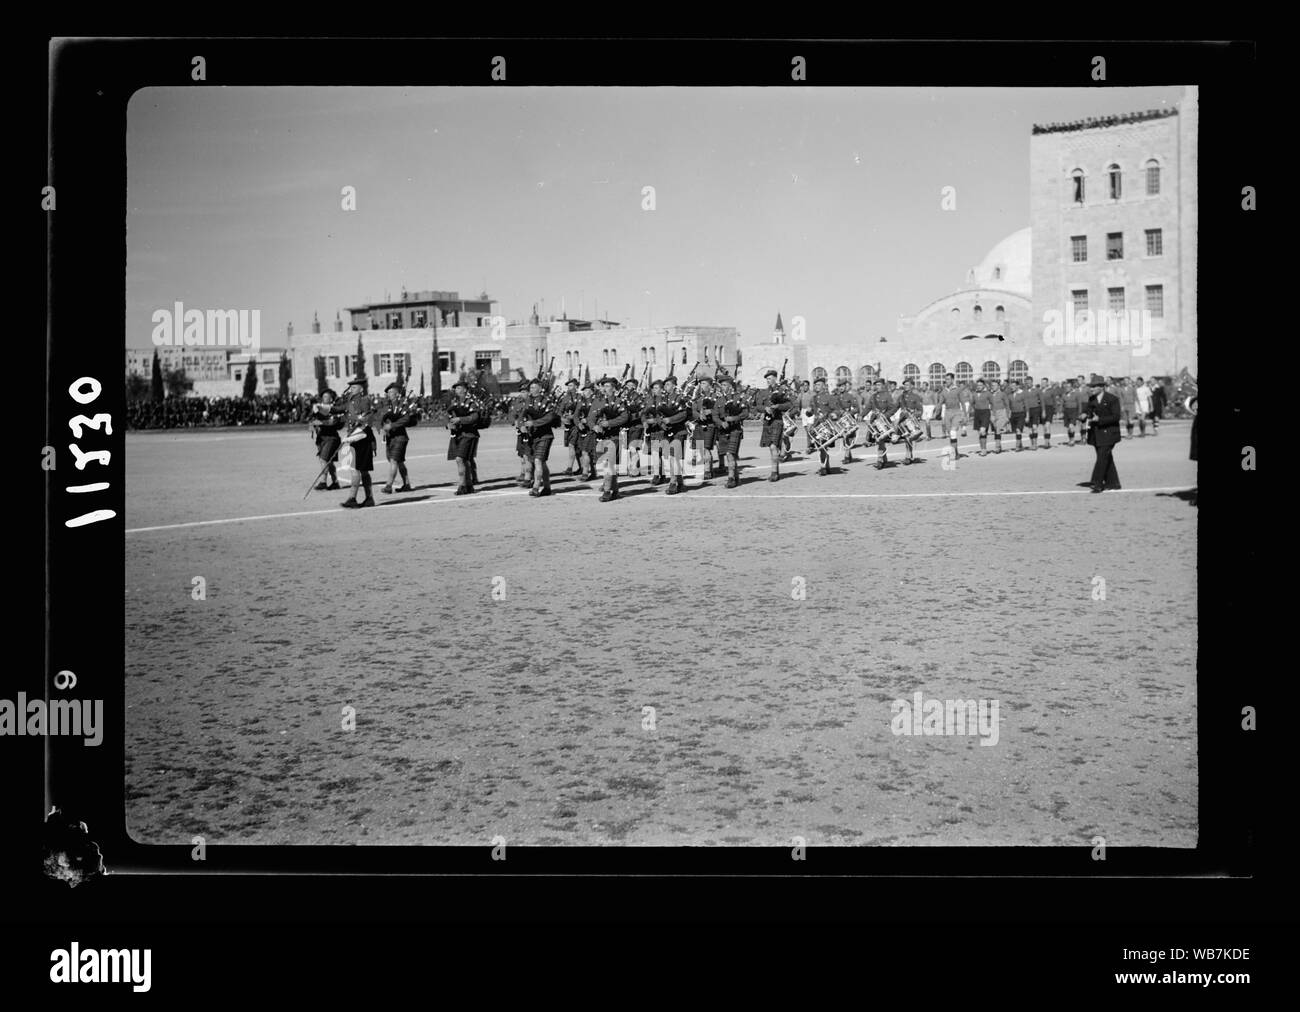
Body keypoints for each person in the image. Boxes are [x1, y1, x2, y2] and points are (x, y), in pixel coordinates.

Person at [339, 377, 377, 508]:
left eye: (354, 387)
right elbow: (339, 409)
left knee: (356, 469)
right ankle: (369, 498)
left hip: (361, 438)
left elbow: (367, 418)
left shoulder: (364, 400)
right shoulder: (351, 401)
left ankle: (352, 498)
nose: (351, 389)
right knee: (362, 471)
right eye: (351, 387)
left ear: (361, 389)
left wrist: (356, 430)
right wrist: (322, 408)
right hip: (355, 437)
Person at [591, 376, 629, 502]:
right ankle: (615, 489)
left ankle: (607, 491)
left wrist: (610, 423)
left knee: (608, 463)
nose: (604, 389)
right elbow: (590, 417)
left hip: (614, 436)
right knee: (606, 464)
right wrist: (594, 426)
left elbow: (624, 417)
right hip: (600, 437)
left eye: (607, 386)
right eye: (603, 386)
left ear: (613, 388)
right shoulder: (597, 401)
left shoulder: (619, 401)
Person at [520, 376, 559, 497]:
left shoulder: (546, 401)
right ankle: (547, 487)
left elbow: (550, 417)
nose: (531, 389)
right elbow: (521, 416)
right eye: (530, 387)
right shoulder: (528, 402)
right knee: (541, 463)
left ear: (540, 388)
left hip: (545, 435)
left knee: (537, 461)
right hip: (533, 436)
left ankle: (536, 487)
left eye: (534, 387)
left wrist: (534, 423)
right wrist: (521, 425)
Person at [1084, 373, 1122, 492]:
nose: (1092, 389)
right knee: (1106, 457)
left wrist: (1099, 419)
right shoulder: (1092, 399)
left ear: (1101, 387)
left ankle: (1097, 483)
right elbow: (1089, 412)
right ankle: (1113, 483)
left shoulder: (1112, 399)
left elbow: (1116, 417)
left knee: (1102, 457)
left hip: (1109, 433)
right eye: (1091, 386)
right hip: (1096, 433)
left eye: (1094, 386)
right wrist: (1084, 415)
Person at [380, 382, 419, 493]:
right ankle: (406, 484)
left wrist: (391, 425)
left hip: (400, 437)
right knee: (399, 462)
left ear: (397, 394)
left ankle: (388, 486)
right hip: (390, 437)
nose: (389, 394)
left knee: (394, 460)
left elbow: (406, 419)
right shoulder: (388, 406)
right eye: (388, 392)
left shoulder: (402, 404)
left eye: (391, 392)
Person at [446, 379, 480, 495]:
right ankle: (469, 486)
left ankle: (462, 485)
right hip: (458, 434)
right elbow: (448, 416)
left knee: (460, 459)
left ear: (465, 390)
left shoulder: (471, 402)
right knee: (464, 460)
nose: (457, 390)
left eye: (459, 388)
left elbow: (474, 417)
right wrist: (449, 424)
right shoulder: (454, 402)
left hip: (469, 434)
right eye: (456, 388)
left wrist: (460, 419)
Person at [659, 373, 692, 494]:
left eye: (668, 384)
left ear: (674, 386)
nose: (665, 387)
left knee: (673, 457)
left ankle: (673, 483)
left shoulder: (680, 398)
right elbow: (658, 415)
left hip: (679, 431)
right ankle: (680, 482)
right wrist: (661, 423)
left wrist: (670, 420)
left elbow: (683, 414)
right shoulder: (663, 400)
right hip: (667, 432)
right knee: (672, 458)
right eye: (665, 385)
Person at [760, 369, 794, 482]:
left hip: (777, 421)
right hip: (767, 422)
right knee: (771, 447)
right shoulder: (764, 392)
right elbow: (757, 406)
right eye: (767, 379)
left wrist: (777, 406)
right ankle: (776, 470)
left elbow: (789, 404)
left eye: (769, 378)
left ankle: (774, 472)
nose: (768, 381)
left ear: (775, 378)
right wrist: (765, 408)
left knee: (774, 446)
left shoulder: (781, 391)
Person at [713, 375, 747, 488]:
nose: (722, 387)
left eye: (725, 385)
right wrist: (721, 423)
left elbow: (745, 413)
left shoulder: (738, 397)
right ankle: (736, 477)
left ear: (731, 386)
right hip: (723, 430)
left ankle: (731, 478)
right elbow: (715, 415)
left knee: (730, 454)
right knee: (730, 455)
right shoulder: (719, 400)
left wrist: (734, 418)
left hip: (735, 429)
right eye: (721, 385)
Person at [309, 388, 343, 490]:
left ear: (331, 398)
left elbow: (333, 423)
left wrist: (320, 423)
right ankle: (335, 482)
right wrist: (312, 425)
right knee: (329, 461)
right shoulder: (319, 409)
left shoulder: (335, 409)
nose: (324, 398)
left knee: (324, 459)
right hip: (321, 438)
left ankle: (323, 481)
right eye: (323, 396)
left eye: (327, 396)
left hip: (332, 438)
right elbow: (311, 422)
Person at [809, 376, 839, 475]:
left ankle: (823, 467)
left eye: (818, 385)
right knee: (822, 447)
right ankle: (827, 466)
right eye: (815, 385)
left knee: (823, 446)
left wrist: (834, 414)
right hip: (817, 424)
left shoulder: (829, 397)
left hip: (826, 424)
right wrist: (809, 412)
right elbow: (812, 412)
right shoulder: (813, 398)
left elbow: (835, 409)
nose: (816, 386)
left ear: (824, 386)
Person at [866, 377, 898, 470]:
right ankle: (884, 459)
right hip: (875, 421)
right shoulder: (873, 396)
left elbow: (893, 408)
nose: (877, 386)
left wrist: (885, 415)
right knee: (880, 441)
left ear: (883, 386)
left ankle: (880, 460)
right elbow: (868, 407)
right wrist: (861, 414)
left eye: (879, 385)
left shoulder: (887, 396)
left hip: (885, 421)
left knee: (881, 440)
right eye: (876, 385)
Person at [691, 376, 719, 480]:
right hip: (699, 425)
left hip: (709, 425)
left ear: (710, 385)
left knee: (706, 449)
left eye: (703, 383)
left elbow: (721, 410)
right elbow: (693, 411)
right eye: (700, 384)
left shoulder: (715, 397)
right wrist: (699, 416)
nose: (701, 386)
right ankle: (701, 469)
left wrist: (710, 412)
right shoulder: (698, 398)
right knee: (698, 449)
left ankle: (708, 470)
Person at [937, 373, 965, 462]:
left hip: (956, 412)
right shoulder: (943, 391)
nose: (946, 381)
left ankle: (953, 453)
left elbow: (963, 402)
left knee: (953, 432)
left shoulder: (958, 390)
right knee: (951, 434)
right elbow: (940, 403)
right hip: (947, 413)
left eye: (948, 379)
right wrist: (936, 413)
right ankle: (956, 452)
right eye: (946, 379)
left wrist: (965, 414)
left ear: (952, 380)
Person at [558, 377, 583, 473]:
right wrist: (563, 419)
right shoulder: (565, 398)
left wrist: (573, 417)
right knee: (575, 448)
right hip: (568, 426)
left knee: (572, 445)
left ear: (576, 387)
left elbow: (581, 411)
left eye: (571, 385)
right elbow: (560, 411)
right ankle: (581, 468)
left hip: (577, 425)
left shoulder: (581, 397)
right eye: (568, 386)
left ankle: (569, 468)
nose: (569, 387)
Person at [836, 379, 861, 464]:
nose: (841, 388)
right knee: (844, 438)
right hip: (841, 420)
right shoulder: (837, 397)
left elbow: (857, 408)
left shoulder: (850, 396)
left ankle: (847, 456)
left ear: (845, 387)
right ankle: (848, 455)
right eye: (839, 387)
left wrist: (849, 413)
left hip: (849, 419)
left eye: (842, 386)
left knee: (848, 437)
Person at [970, 378, 993, 456]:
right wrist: (973, 411)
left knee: (983, 431)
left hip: (985, 412)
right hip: (977, 413)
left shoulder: (988, 393)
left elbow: (993, 403)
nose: (979, 386)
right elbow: (972, 403)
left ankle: (984, 451)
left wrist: (992, 414)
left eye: (980, 385)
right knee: (981, 433)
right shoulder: (974, 393)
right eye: (978, 385)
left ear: (984, 385)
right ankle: (983, 449)